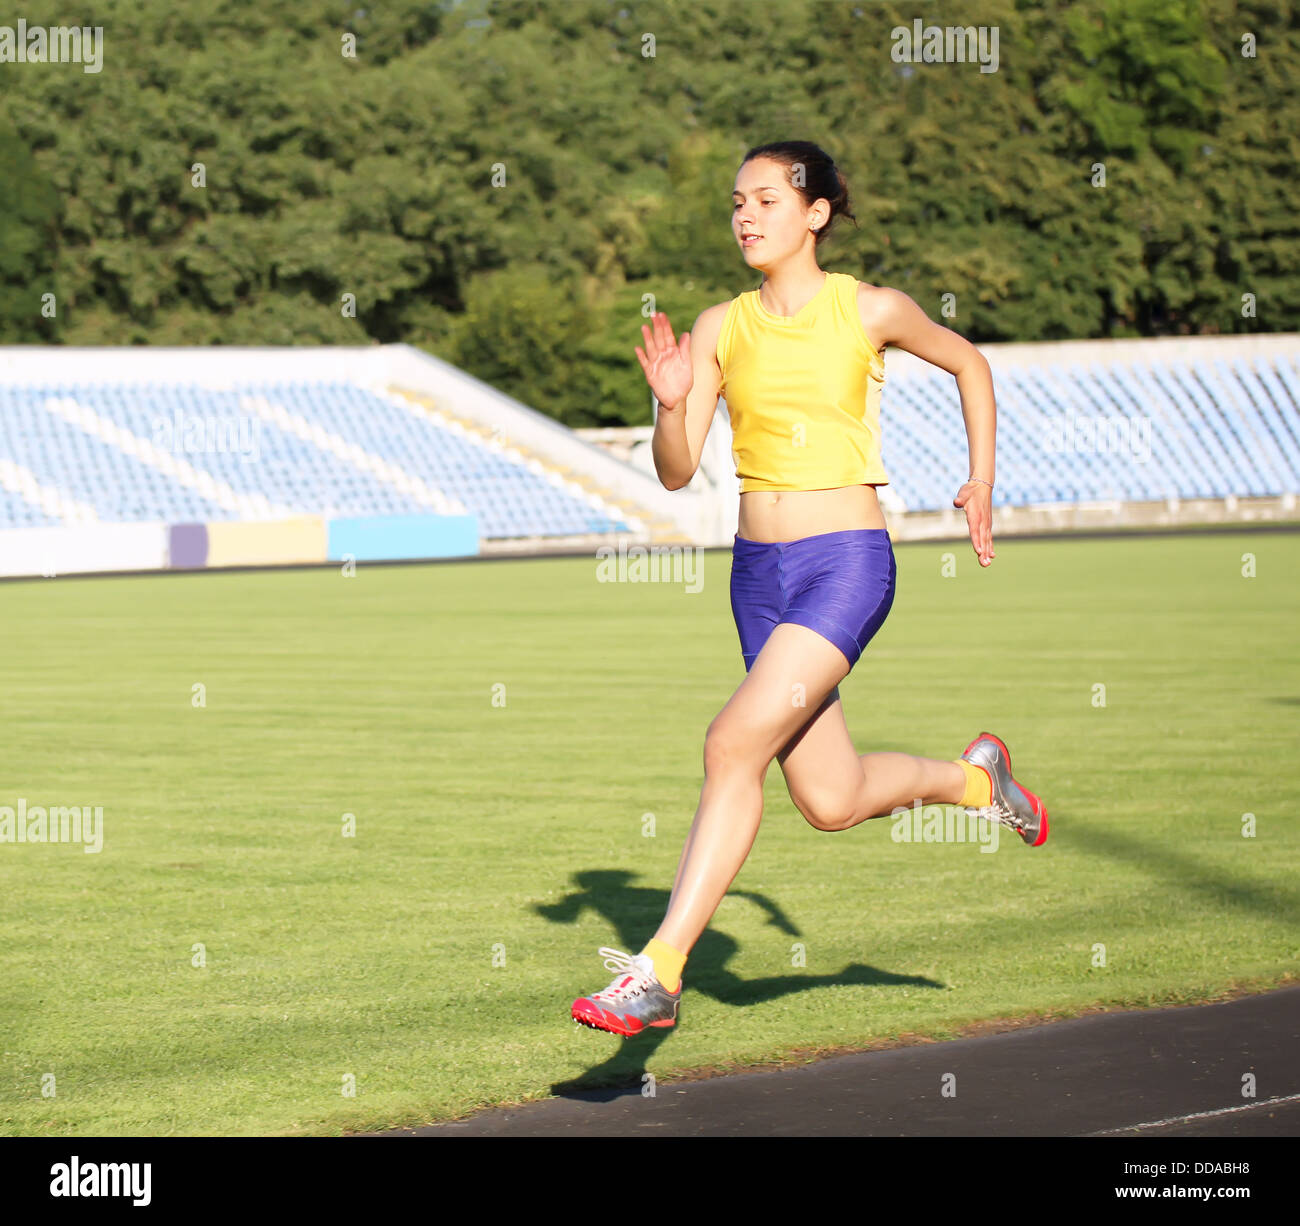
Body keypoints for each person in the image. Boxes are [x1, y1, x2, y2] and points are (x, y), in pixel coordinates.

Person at [571, 140, 1048, 1038]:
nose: (745, 216)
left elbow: (971, 365)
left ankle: (659, 972)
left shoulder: (868, 309)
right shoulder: (720, 326)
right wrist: (671, 405)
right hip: (757, 578)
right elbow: (676, 475)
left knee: (730, 745)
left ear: (815, 213)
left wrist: (982, 478)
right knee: (830, 801)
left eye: (764, 200)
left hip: (846, 565)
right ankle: (977, 783)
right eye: (736, 204)